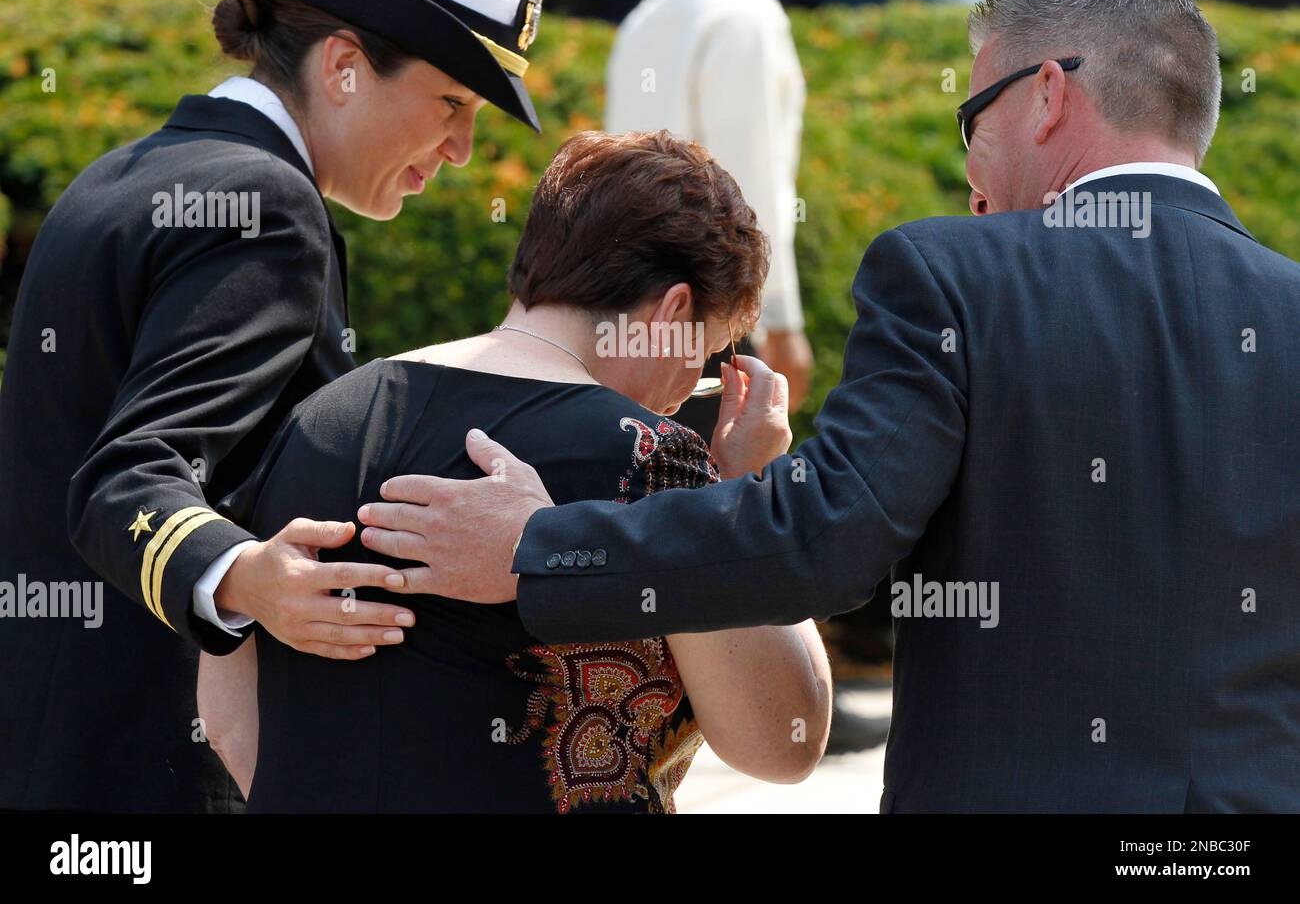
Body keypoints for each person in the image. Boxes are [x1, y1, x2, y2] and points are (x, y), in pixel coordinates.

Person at [361, 0, 1300, 812]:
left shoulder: (956, 276)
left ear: (1047, 95)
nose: (971, 177)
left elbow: (824, 539)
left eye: (973, 118)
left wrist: (538, 545)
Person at [0, 0, 546, 812]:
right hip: (146, 775)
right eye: (453, 101)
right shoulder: (266, 209)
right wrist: (253, 576)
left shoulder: (126, 173)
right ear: (343, 66)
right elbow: (127, 479)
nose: (461, 148)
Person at [197, 131, 831, 813]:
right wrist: (744, 495)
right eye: (702, 354)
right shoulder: (652, 457)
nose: (684, 391)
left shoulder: (314, 422)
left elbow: (230, 719)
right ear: (672, 312)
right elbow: (783, 739)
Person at [605, 0, 825, 420]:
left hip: (625, 314)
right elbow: (752, 183)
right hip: (715, 316)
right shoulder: (746, 17)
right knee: (715, 499)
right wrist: (778, 321)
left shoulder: (649, 13)